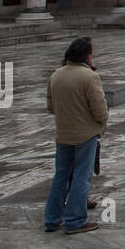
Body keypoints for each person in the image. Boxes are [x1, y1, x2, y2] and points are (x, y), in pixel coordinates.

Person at [44, 36, 108, 235]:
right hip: (85, 134)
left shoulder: (56, 74)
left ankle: (52, 219)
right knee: (82, 176)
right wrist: (101, 123)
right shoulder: (89, 76)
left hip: (63, 133)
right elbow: (99, 108)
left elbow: (51, 106)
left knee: (61, 176)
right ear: (87, 55)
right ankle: (75, 220)